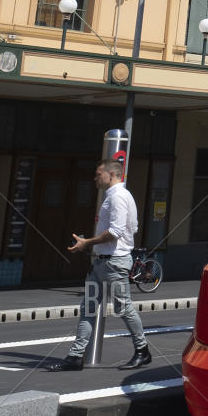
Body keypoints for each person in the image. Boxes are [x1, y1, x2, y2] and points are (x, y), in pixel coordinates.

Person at [49, 159, 151, 371]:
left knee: (124, 309)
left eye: (98, 174)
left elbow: (115, 232)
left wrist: (87, 242)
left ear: (111, 175)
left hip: (114, 264)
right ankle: (75, 357)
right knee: (88, 309)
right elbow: (132, 227)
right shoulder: (115, 197)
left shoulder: (119, 197)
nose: (95, 178)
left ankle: (143, 351)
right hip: (102, 263)